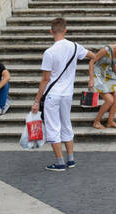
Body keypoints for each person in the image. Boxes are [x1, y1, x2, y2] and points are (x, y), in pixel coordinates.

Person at [30, 17, 89, 172]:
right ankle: (71, 159)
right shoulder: (75, 47)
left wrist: (37, 101)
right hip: (67, 94)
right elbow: (93, 55)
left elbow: (45, 79)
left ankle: (59, 162)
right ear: (65, 30)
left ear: (51, 32)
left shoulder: (49, 52)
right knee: (66, 124)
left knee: (53, 127)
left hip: (52, 95)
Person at [88, 37, 116, 129]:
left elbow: (113, 65)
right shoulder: (106, 50)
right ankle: (96, 121)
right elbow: (92, 62)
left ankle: (110, 121)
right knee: (109, 100)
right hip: (98, 75)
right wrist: (91, 79)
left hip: (108, 75)